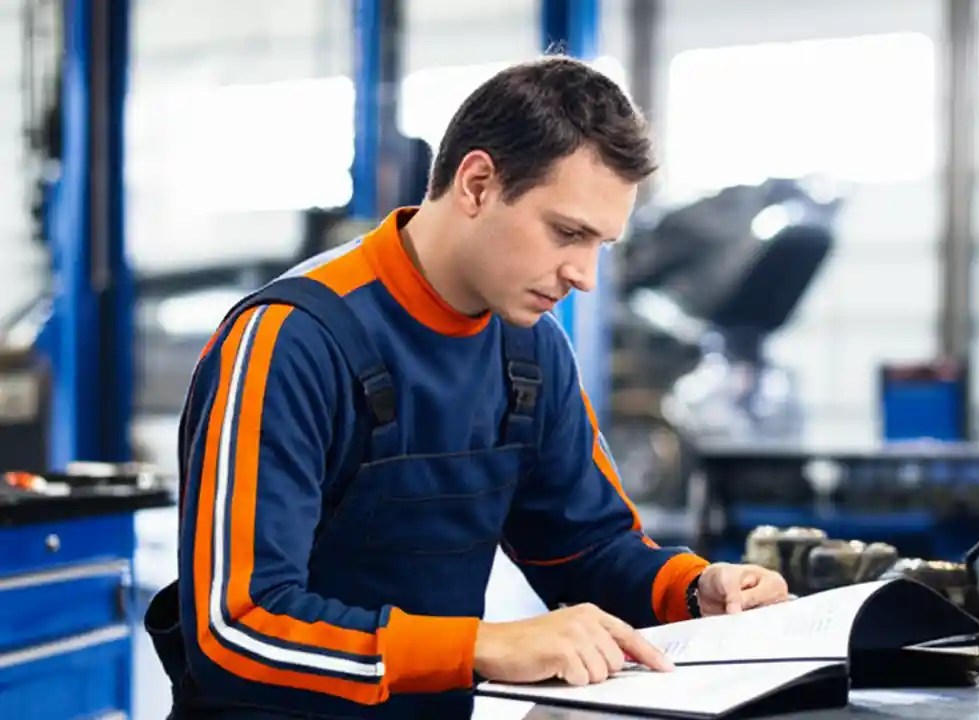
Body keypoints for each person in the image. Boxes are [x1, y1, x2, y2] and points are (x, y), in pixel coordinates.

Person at [145, 55, 790, 720]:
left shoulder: (531, 351)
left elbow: (588, 547)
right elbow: (237, 629)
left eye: (600, 244)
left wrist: (694, 590)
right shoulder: (291, 341)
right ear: (477, 185)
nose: (584, 275)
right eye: (567, 233)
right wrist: (481, 646)